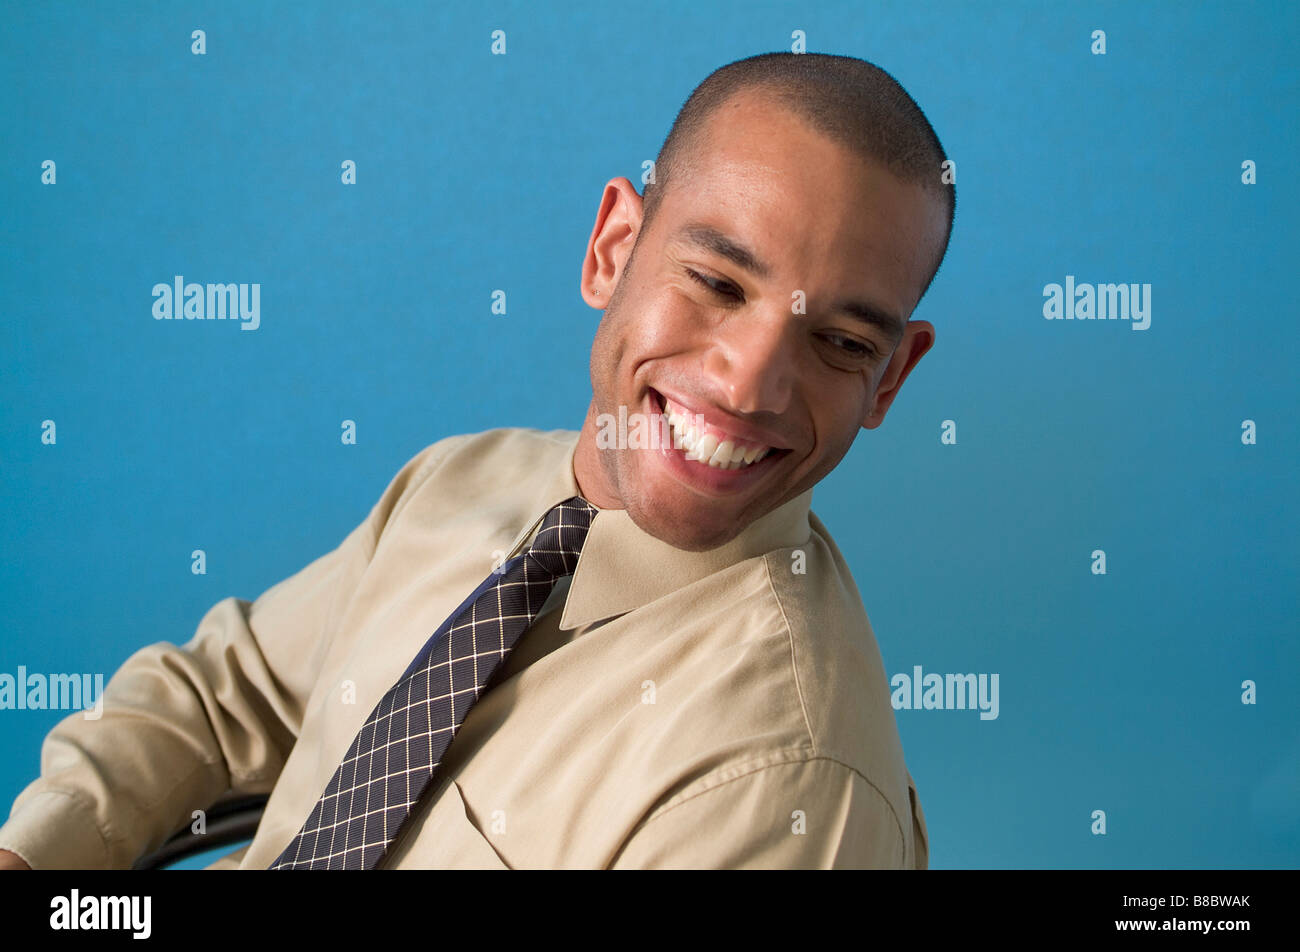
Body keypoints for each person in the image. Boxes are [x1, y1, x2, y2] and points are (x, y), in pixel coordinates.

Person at [0, 50, 952, 869]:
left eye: (840, 344)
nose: (749, 386)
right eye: (715, 281)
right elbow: (224, 693)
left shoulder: (785, 777)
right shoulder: (461, 485)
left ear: (889, 383)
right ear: (612, 251)